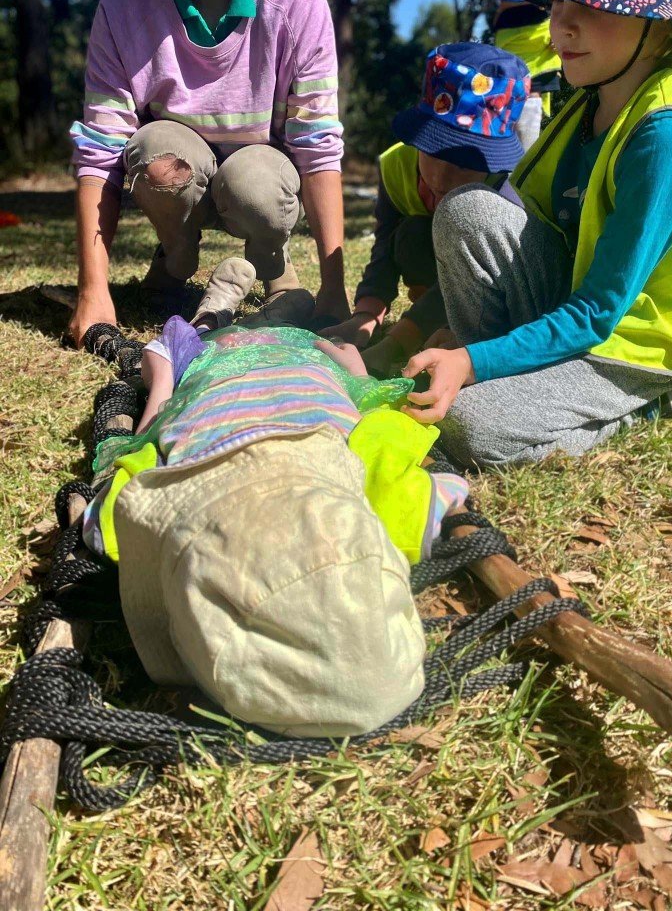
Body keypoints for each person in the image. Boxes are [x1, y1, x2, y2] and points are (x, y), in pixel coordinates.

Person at [402, 0, 672, 469]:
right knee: (467, 209)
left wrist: (472, 362)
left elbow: (599, 313)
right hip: (577, 297)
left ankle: (646, 405)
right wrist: (436, 337)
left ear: (662, 21)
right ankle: (506, 375)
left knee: (470, 427)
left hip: (638, 341)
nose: (560, 23)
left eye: (594, 1)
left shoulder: (670, 138)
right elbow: (521, 222)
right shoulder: (586, 96)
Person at [80, 260, 469, 737]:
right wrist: (353, 367)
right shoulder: (391, 505)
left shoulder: (388, 506)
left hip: (207, 363)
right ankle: (263, 309)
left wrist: (162, 392)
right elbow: (447, 491)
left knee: (178, 341)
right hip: (305, 360)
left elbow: (130, 458)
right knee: (301, 317)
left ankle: (216, 311)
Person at [68, 0, 350, 347]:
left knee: (255, 187)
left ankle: (271, 260)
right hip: (179, 165)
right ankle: (176, 255)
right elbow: (100, 151)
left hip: (261, 171)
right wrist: (92, 291)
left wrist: (335, 292)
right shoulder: (122, 4)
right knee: (155, 158)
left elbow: (317, 145)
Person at [323, 43, 530, 378]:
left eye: (464, 165)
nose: (443, 177)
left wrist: (397, 342)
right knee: (409, 236)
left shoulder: (503, 197)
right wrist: (366, 317)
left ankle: (438, 327)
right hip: (434, 270)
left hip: (486, 295)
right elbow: (385, 249)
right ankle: (426, 314)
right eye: (434, 152)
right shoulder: (397, 166)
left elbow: (490, 279)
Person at [493, 0, 562, 150]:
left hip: (510, 52)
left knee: (513, 104)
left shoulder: (509, 2)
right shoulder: (549, 0)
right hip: (531, 57)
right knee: (528, 102)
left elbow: (501, 11)